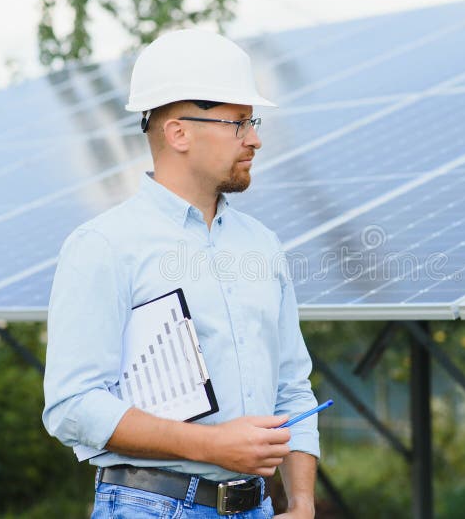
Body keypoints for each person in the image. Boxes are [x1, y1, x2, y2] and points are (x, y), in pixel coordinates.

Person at [43, 29, 319, 518]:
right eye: (239, 123)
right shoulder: (103, 246)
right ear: (179, 133)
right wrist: (211, 446)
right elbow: (72, 405)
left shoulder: (263, 246)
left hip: (257, 508)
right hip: (147, 506)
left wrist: (300, 504)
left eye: (251, 121)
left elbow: (293, 389)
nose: (255, 138)